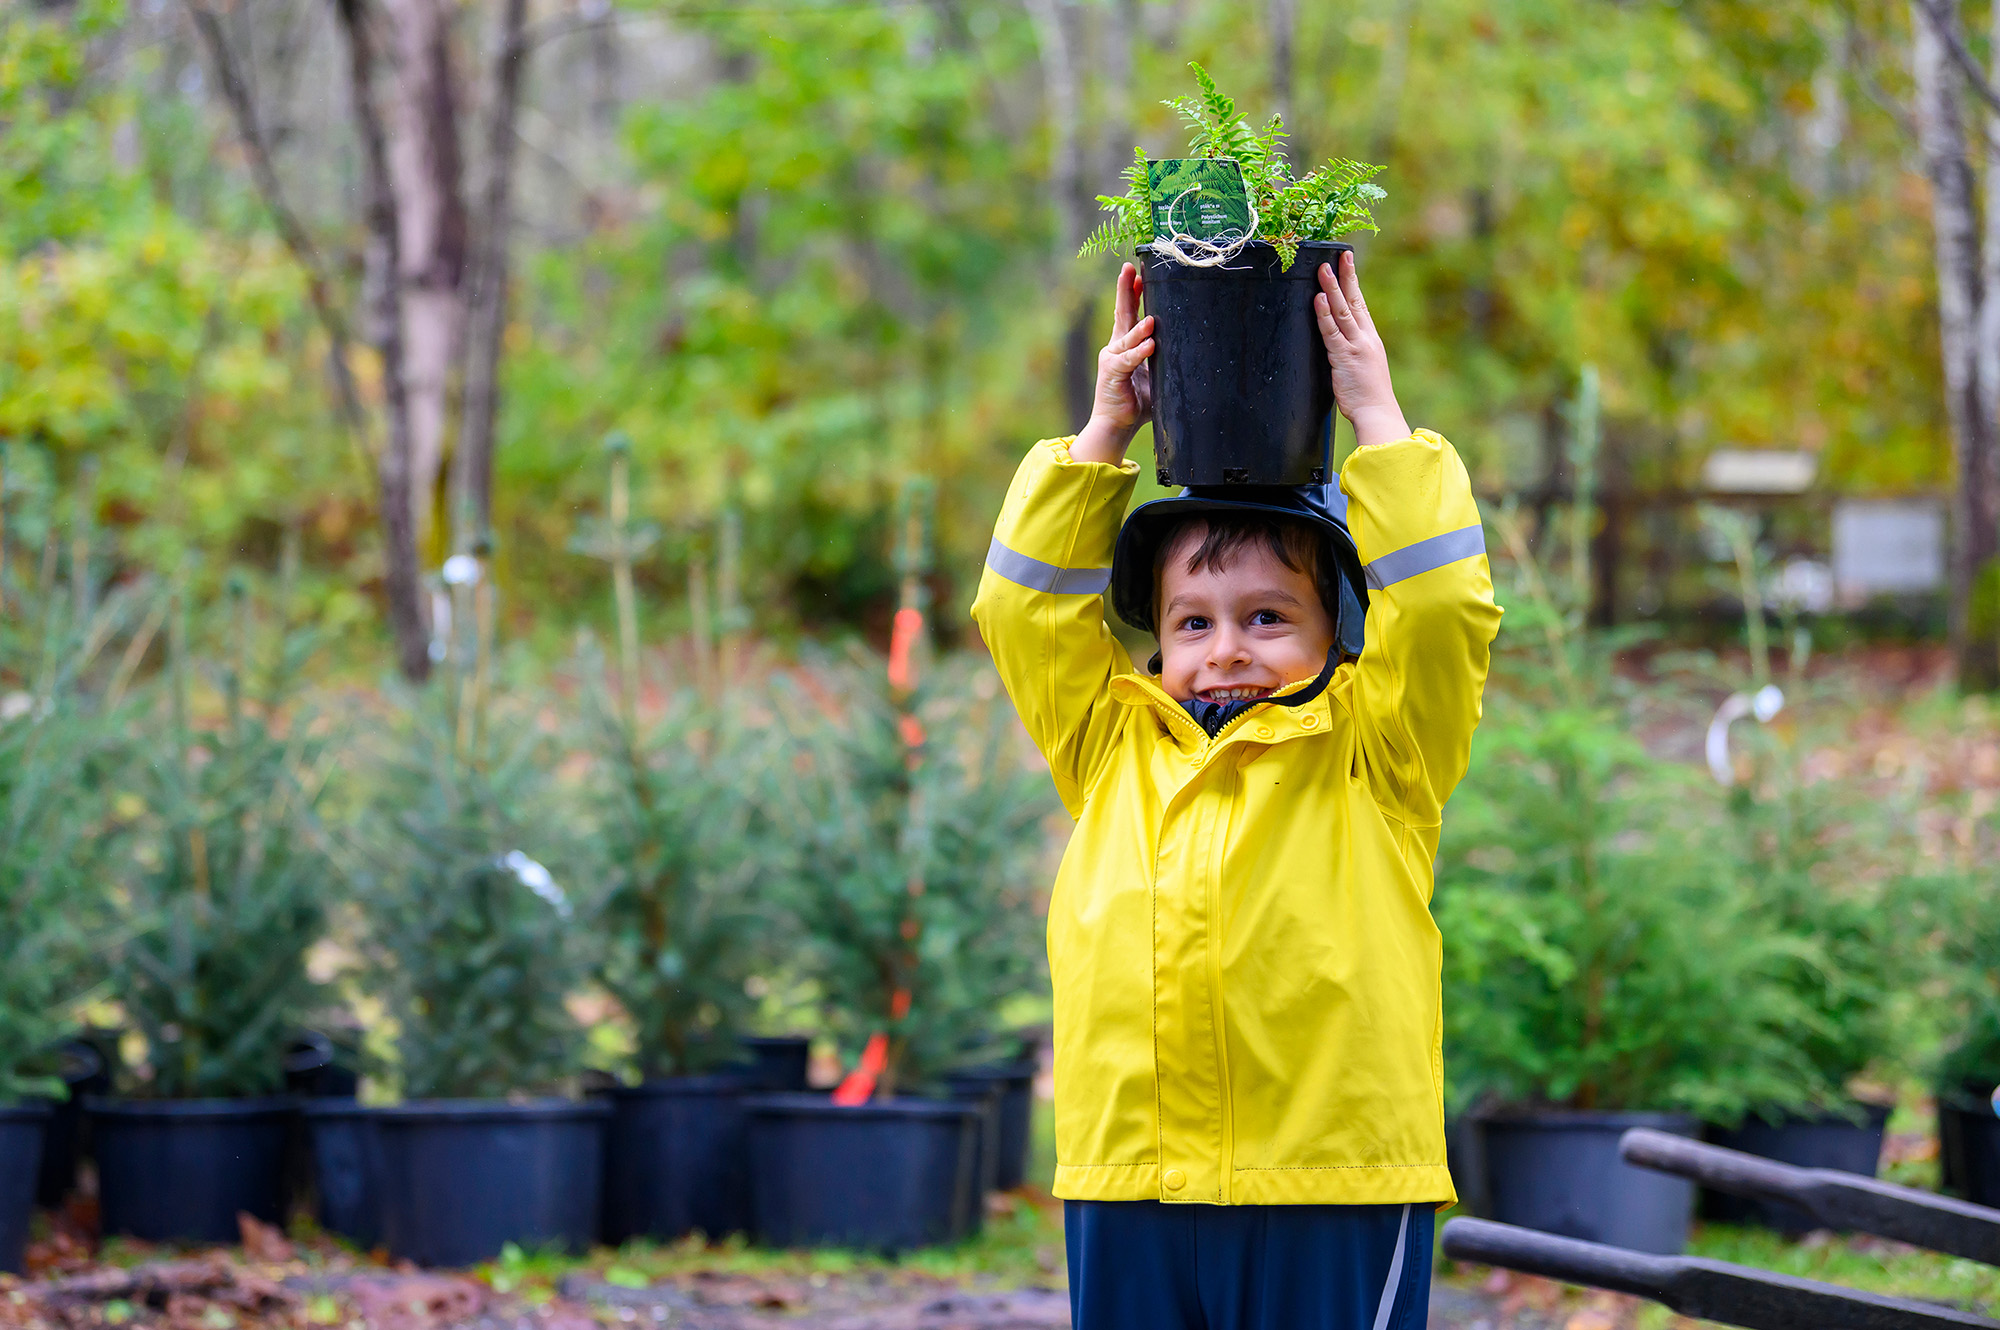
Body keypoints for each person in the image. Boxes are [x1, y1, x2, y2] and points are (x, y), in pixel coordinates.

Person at [970, 251, 1502, 1330]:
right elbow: (1022, 609)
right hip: (1134, 1179)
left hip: (1331, 1181)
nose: (1224, 650)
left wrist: (1377, 421)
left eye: (1267, 617)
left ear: (1332, 635)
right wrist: (1102, 436)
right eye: (1192, 623)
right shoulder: (1107, 741)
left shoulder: (1381, 745)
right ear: (1155, 642)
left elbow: (1442, 609)